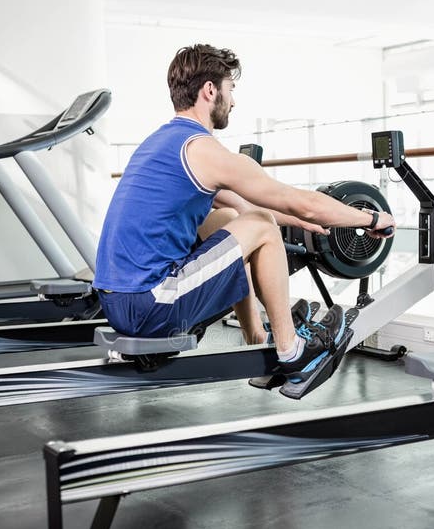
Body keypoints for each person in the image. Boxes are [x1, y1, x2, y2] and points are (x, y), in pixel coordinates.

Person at [93, 44, 395, 384]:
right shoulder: (203, 149)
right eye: (230, 89)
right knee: (262, 227)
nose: (233, 101)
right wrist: (370, 219)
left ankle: (256, 336)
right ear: (210, 90)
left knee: (223, 221)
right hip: (150, 304)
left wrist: (298, 221)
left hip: (119, 302)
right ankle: (291, 349)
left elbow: (245, 208)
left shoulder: (161, 143)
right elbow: (294, 204)